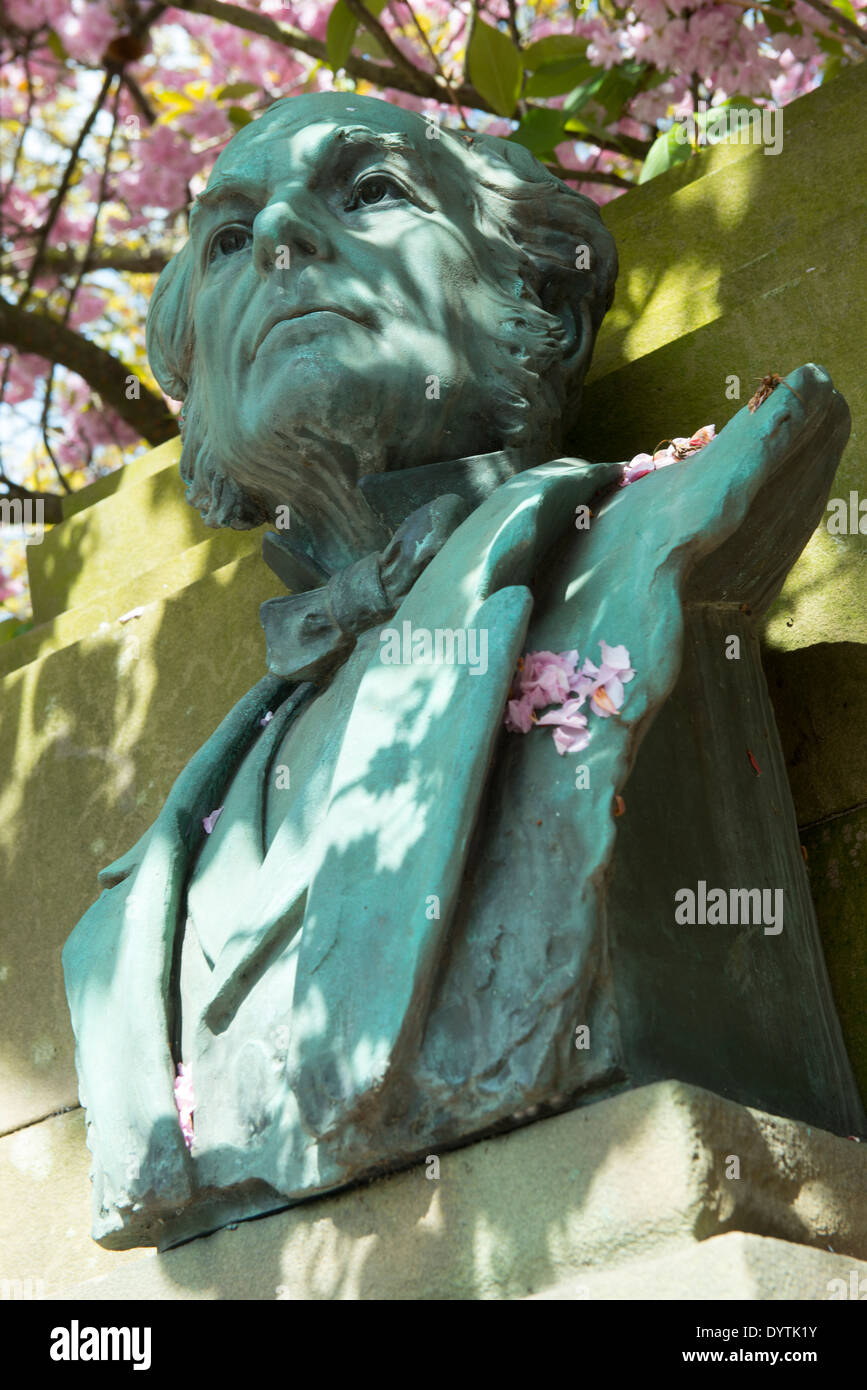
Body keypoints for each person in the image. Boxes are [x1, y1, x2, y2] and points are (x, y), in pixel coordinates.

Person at [63, 93, 864, 1251]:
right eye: (228, 238)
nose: (282, 235)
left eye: (371, 192)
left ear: (530, 297)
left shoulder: (670, 535)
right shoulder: (149, 889)